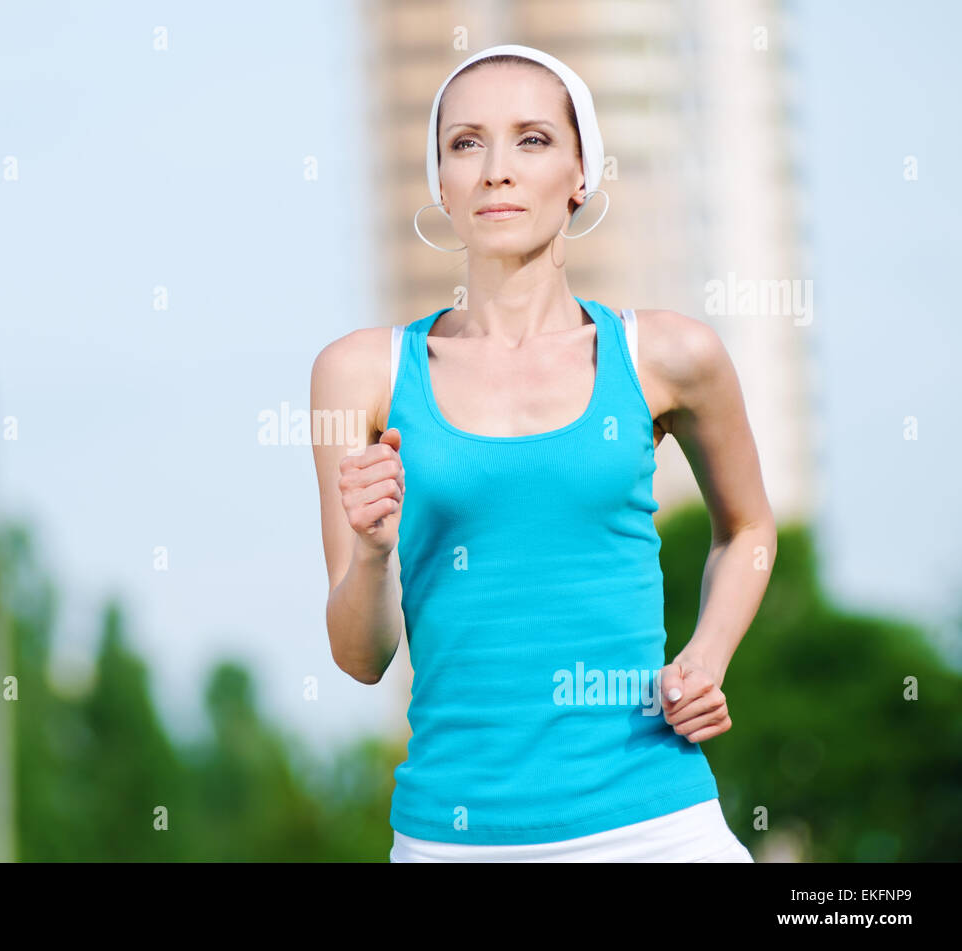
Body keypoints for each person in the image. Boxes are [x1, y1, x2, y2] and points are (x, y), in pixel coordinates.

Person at [309, 45, 776, 862]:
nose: (497, 170)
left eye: (531, 139)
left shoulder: (668, 355)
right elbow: (358, 657)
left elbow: (749, 532)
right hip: (451, 837)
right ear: (439, 184)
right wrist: (376, 555)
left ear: (580, 173)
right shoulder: (360, 374)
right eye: (465, 144)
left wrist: (705, 656)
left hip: (655, 823)